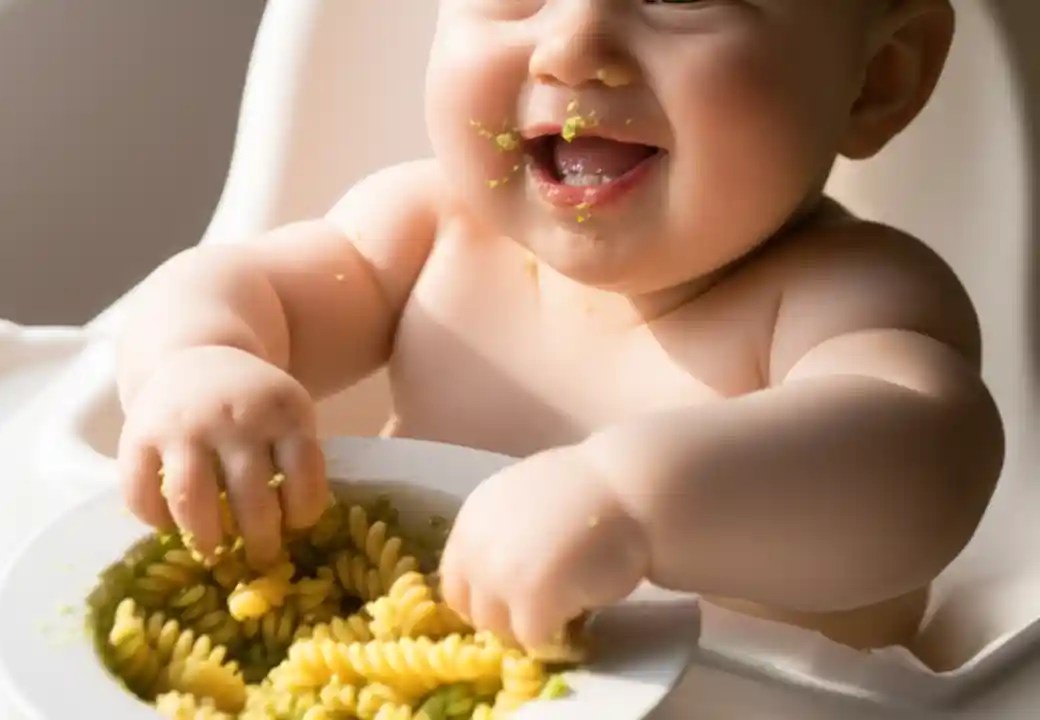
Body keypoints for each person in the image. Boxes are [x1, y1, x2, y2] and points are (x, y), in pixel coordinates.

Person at [114, 0, 1002, 652]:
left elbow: (925, 461)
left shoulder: (844, 298)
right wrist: (196, 364)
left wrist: (631, 502)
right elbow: (237, 286)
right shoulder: (428, 232)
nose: (575, 49)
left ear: (876, 79)